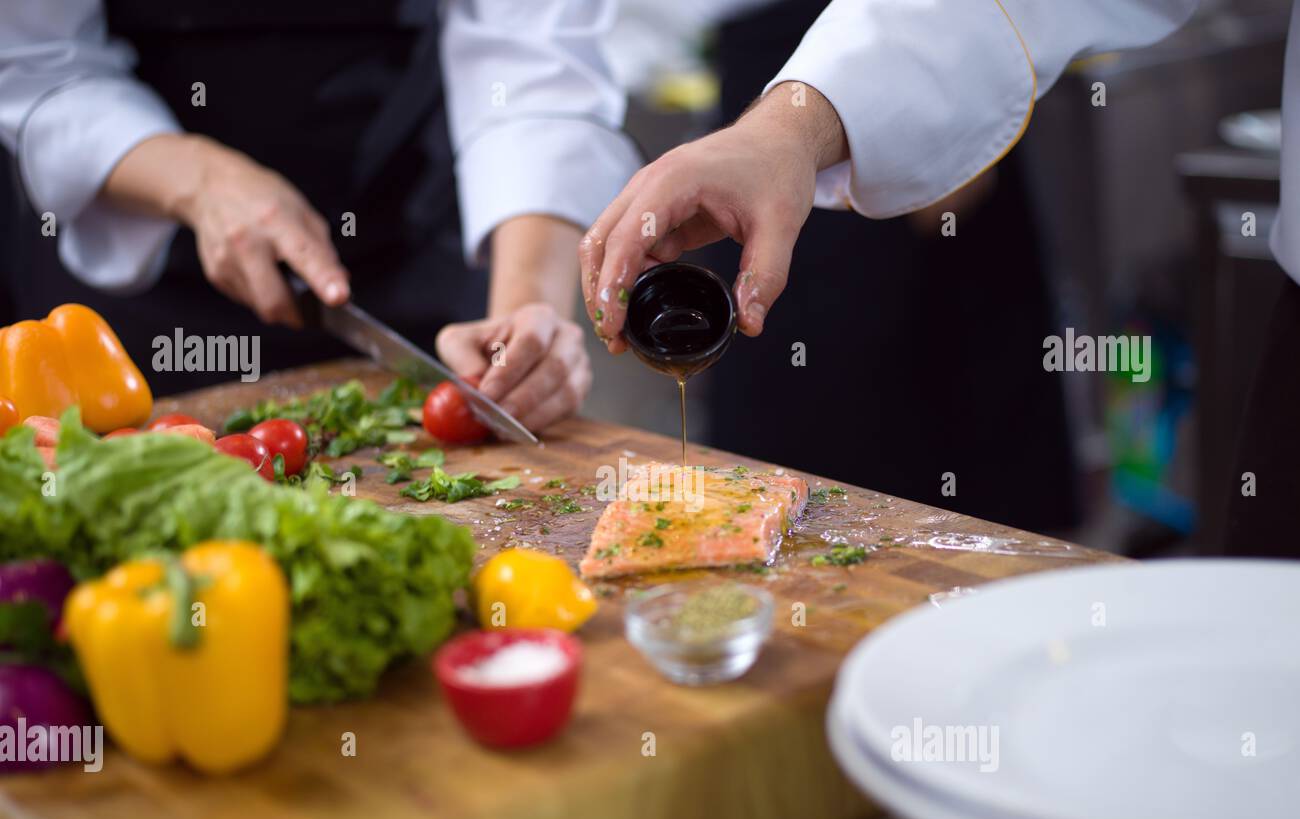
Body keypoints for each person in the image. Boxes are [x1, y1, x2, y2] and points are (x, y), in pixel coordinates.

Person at [583, 0, 1298, 555]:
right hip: (817, 73)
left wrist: (938, 133)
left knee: (960, 460)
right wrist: (784, 131)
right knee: (796, 448)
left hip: (910, 92)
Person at [1, 0, 640, 431]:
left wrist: (526, 316)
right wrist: (200, 182)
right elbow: (32, 60)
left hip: (416, 235)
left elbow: (533, 53)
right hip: (136, 276)